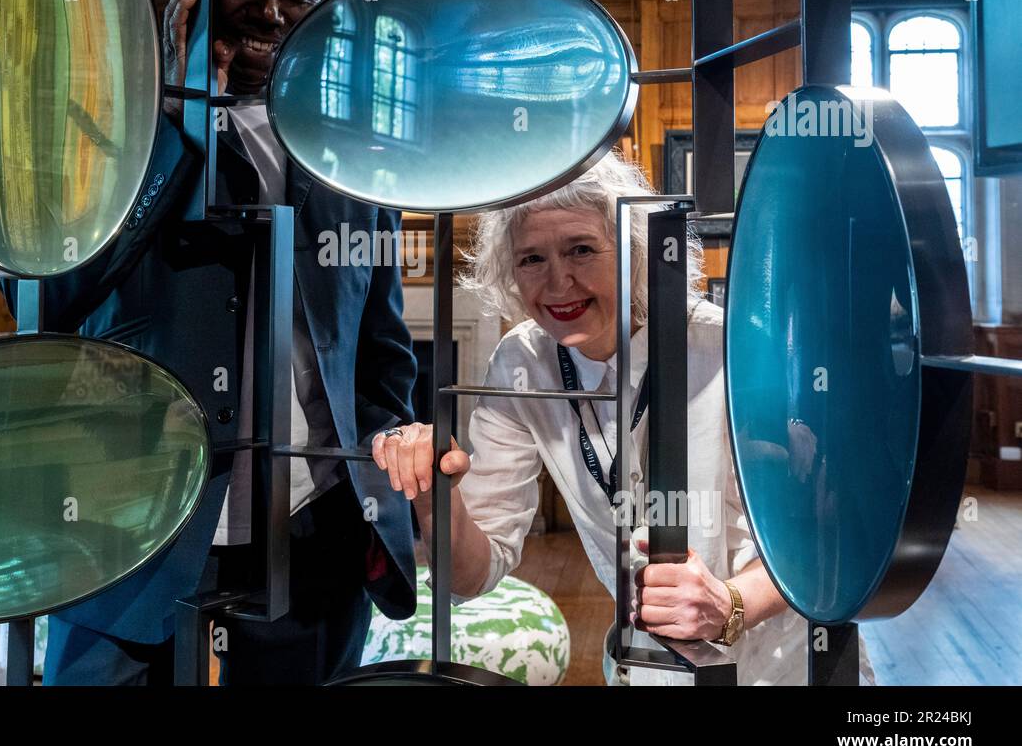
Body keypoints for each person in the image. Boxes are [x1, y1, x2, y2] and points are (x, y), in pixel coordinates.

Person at [2, 0, 418, 685]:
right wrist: (171, 119)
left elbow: (381, 356)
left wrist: (375, 475)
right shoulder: (101, 135)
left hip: (313, 559)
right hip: (128, 553)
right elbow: (45, 299)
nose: (270, 10)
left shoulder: (353, 159)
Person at [370, 152, 875, 685]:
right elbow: (474, 573)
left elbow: (831, 534)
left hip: (788, 660)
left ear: (633, 251)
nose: (558, 283)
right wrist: (433, 497)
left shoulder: (730, 348)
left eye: (581, 250)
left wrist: (729, 606)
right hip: (650, 665)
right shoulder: (521, 364)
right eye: (531, 259)